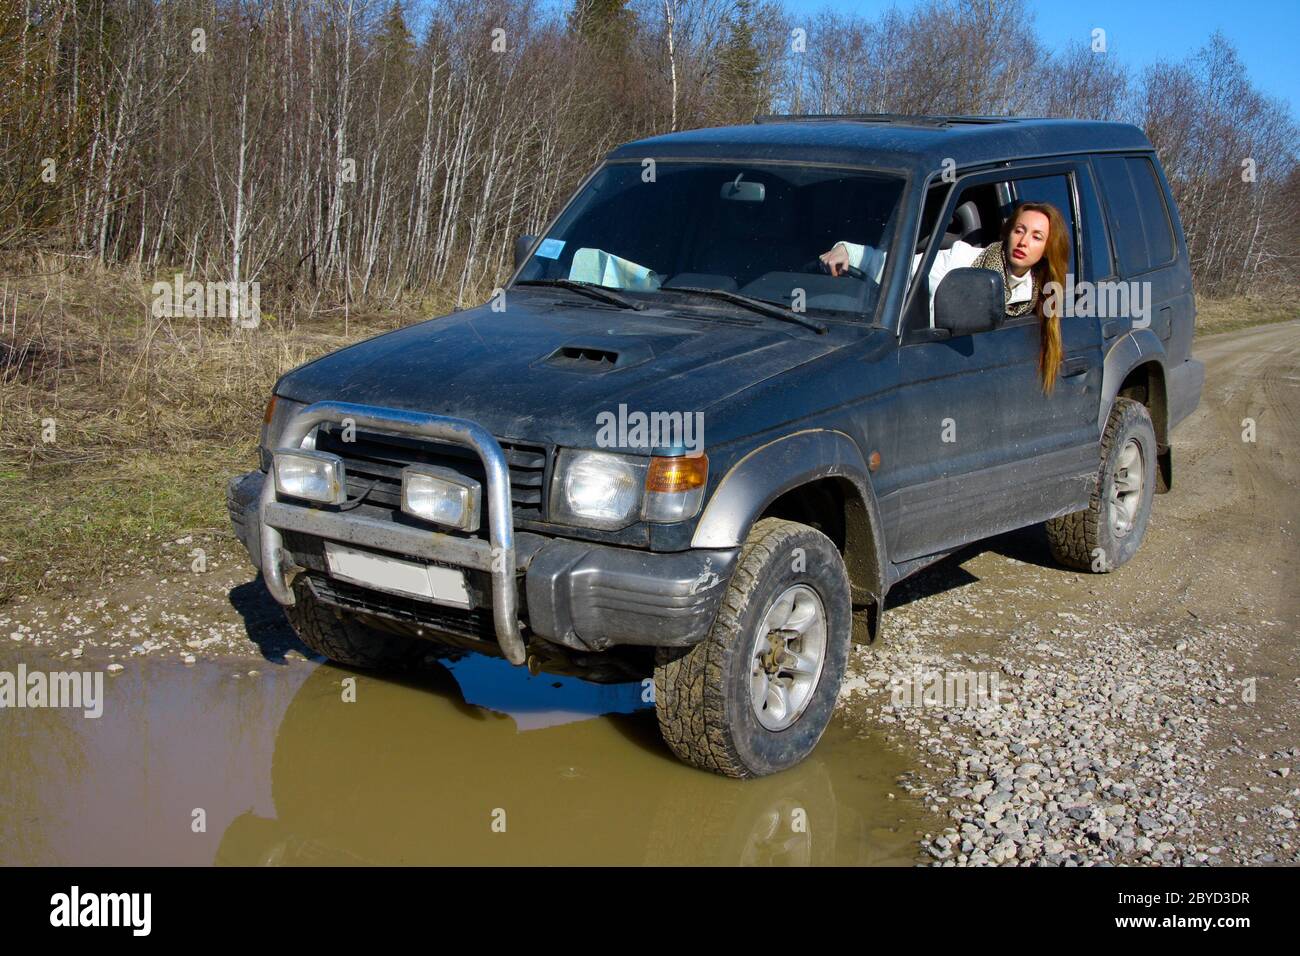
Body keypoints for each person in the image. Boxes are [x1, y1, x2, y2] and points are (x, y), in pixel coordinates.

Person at [820, 201, 1069, 392]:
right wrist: (848, 251)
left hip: (988, 382)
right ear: (1009, 233)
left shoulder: (1042, 294)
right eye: (1019, 230)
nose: (1023, 241)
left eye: (1036, 237)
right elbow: (900, 270)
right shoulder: (962, 259)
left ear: (1047, 249)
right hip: (937, 363)